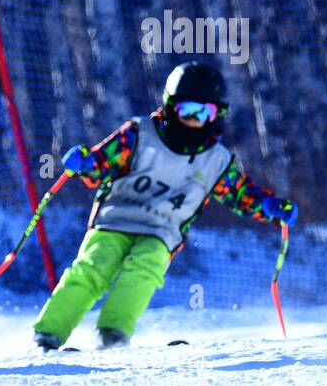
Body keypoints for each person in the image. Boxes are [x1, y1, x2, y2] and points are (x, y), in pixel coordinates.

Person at [32, 61, 297, 351]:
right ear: (171, 106)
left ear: (217, 115)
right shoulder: (139, 133)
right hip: (115, 220)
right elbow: (102, 163)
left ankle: (113, 336)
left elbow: (240, 194)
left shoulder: (216, 160)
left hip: (161, 231)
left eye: (204, 113)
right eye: (187, 110)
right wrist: (86, 164)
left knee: (146, 266)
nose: (195, 120)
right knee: (93, 268)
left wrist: (270, 207)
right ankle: (48, 335)